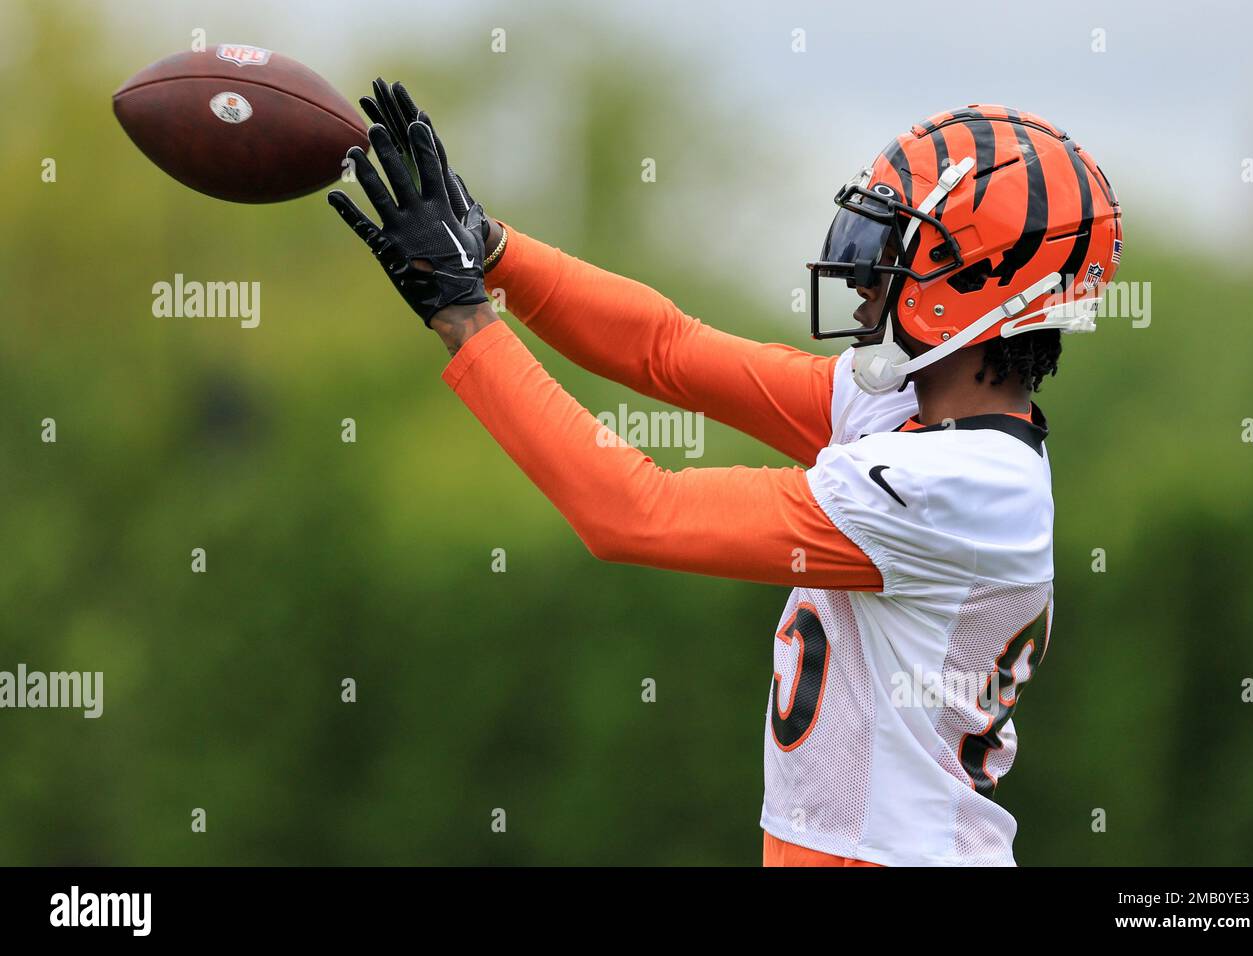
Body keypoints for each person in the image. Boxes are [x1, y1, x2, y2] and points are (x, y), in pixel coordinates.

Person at [327, 81, 1123, 866]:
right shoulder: (916, 410)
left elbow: (633, 513)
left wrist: (464, 318)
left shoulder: (953, 484)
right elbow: (667, 349)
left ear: (976, 283)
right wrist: (492, 249)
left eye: (896, 246)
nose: (864, 271)